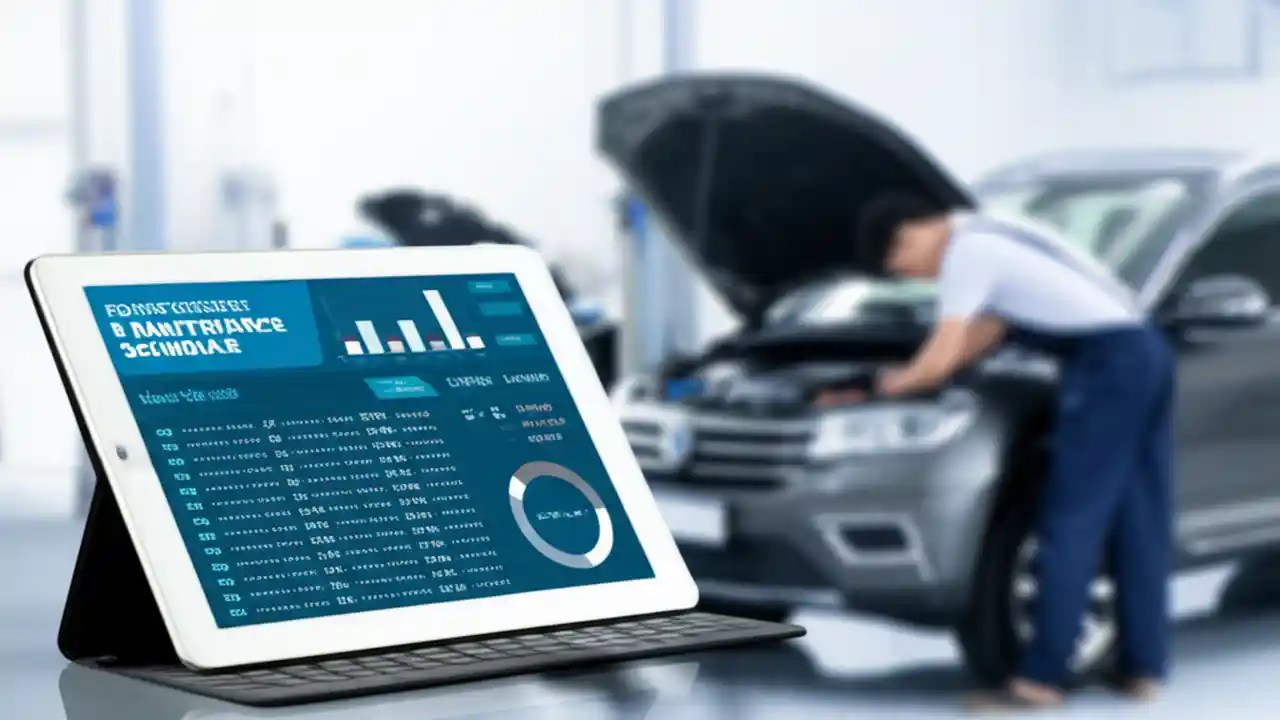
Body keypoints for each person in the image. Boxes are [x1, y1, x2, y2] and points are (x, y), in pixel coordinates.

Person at [856, 194, 1175, 709]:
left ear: (910, 234)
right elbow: (987, 331)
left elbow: (941, 355)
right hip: (1144, 351)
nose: (917, 278)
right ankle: (1144, 668)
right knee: (1139, 518)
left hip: (1106, 367)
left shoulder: (966, 253)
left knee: (1071, 517)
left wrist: (886, 385)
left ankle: (1042, 679)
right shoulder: (996, 231)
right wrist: (920, 371)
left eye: (903, 267)